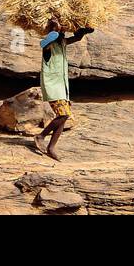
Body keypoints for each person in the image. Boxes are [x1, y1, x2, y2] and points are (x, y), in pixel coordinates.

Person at [32, 20, 93, 161]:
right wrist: (55, 28)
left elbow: (76, 38)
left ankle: (51, 147)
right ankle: (41, 136)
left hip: (62, 87)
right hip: (52, 86)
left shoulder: (62, 43)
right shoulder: (48, 45)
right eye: (61, 31)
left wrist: (84, 30)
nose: (63, 32)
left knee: (63, 117)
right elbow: (42, 43)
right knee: (64, 114)